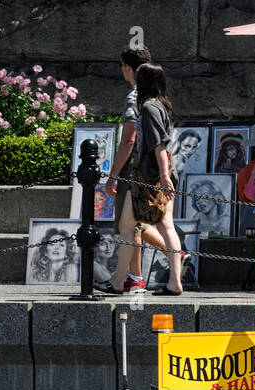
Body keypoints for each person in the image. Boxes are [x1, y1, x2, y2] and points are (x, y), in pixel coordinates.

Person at [100, 45, 152, 294]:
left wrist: (113, 174)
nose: (122, 70)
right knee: (138, 225)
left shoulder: (135, 96)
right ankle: (134, 277)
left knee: (127, 226)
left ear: (128, 67)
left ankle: (124, 279)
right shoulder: (157, 93)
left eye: (122, 65)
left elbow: (129, 139)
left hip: (134, 170)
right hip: (152, 168)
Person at [132, 62, 184, 295]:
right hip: (159, 175)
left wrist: (163, 176)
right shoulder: (162, 105)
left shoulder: (150, 108)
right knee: (164, 226)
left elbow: (158, 145)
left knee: (146, 224)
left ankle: (133, 279)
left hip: (152, 176)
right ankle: (174, 280)